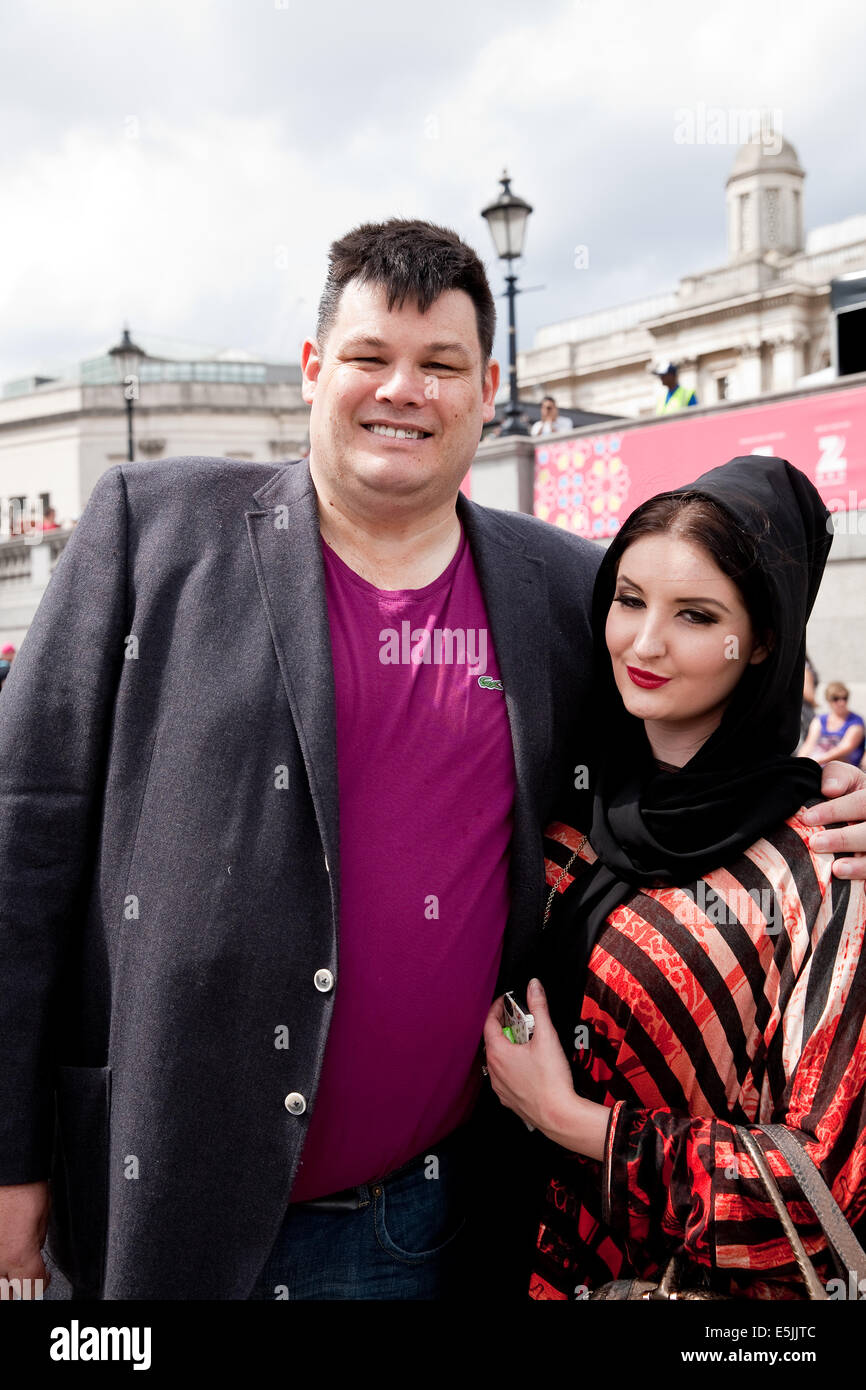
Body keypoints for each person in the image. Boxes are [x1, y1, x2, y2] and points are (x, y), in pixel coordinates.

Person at [1, 223, 864, 1305]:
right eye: (370, 357)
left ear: (485, 386)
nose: (401, 390)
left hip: (427, 1227)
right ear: (315, 368)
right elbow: (19, 849)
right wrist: (9, 1159)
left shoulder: (565, 589)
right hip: (162, 1200)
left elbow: (691, 753)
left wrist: (830, 796)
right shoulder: (149, 531)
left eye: (440, 366)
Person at [483, 456, 866, 1300]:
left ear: (762, 638)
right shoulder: (562, 811)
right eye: (628, 601)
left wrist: (573, 1123)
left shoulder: (827, 859)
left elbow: (820, 1187)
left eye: (696, 616)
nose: (645, 643)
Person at [800, 682, 865, 768]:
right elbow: (808, 744)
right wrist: (800, 761)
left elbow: (845, 748)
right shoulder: (820, 720)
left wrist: (815, 762)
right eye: (836, 699)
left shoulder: (856, 721)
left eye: (845, 698)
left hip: (843, 767)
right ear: (828, 700)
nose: (841, 702)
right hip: (817, 764)